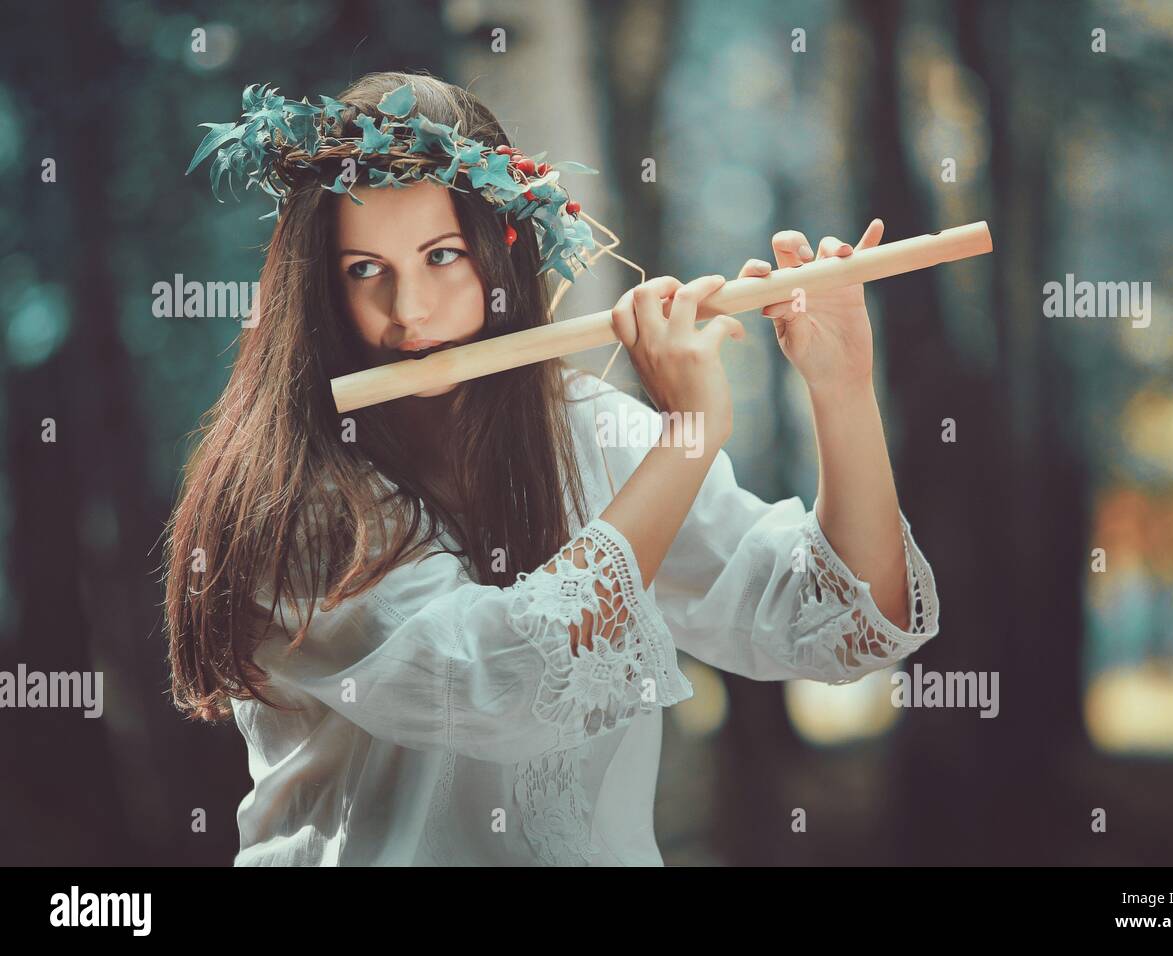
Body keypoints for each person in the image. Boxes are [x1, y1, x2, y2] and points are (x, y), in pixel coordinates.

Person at [165, 70, 940, 866]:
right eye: (366, 269)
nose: (409, 310)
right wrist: (688, 437)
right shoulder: (293, 497)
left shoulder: (592, 432)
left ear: (502, 250)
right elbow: (499, 686)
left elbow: (846, 626)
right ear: (319, 282)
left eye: (442, 256)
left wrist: (842, 389)